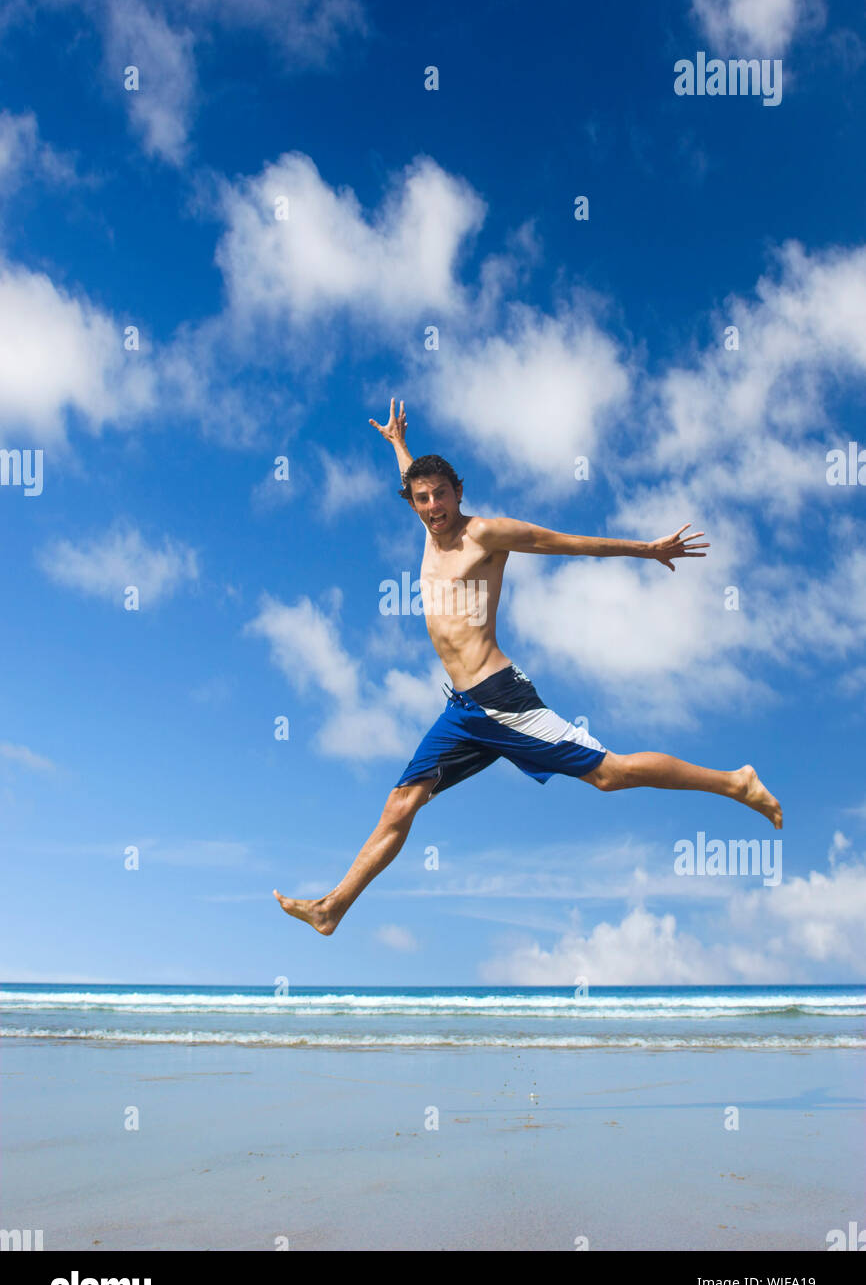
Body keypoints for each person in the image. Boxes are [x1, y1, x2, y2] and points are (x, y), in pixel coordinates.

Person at [274, 399, 782, 935]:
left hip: (502, 701)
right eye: (421, 499)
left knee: (610, 775)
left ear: (458, 493)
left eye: (440, 495)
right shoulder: (428, 524)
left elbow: (563, 543)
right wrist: (398, 443)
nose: (431, 506)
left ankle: (736, 782)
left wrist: (646, 549)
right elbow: (413, 479)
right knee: (401, 804)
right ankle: (332, 909)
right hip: (462, 710)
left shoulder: (485, 535)